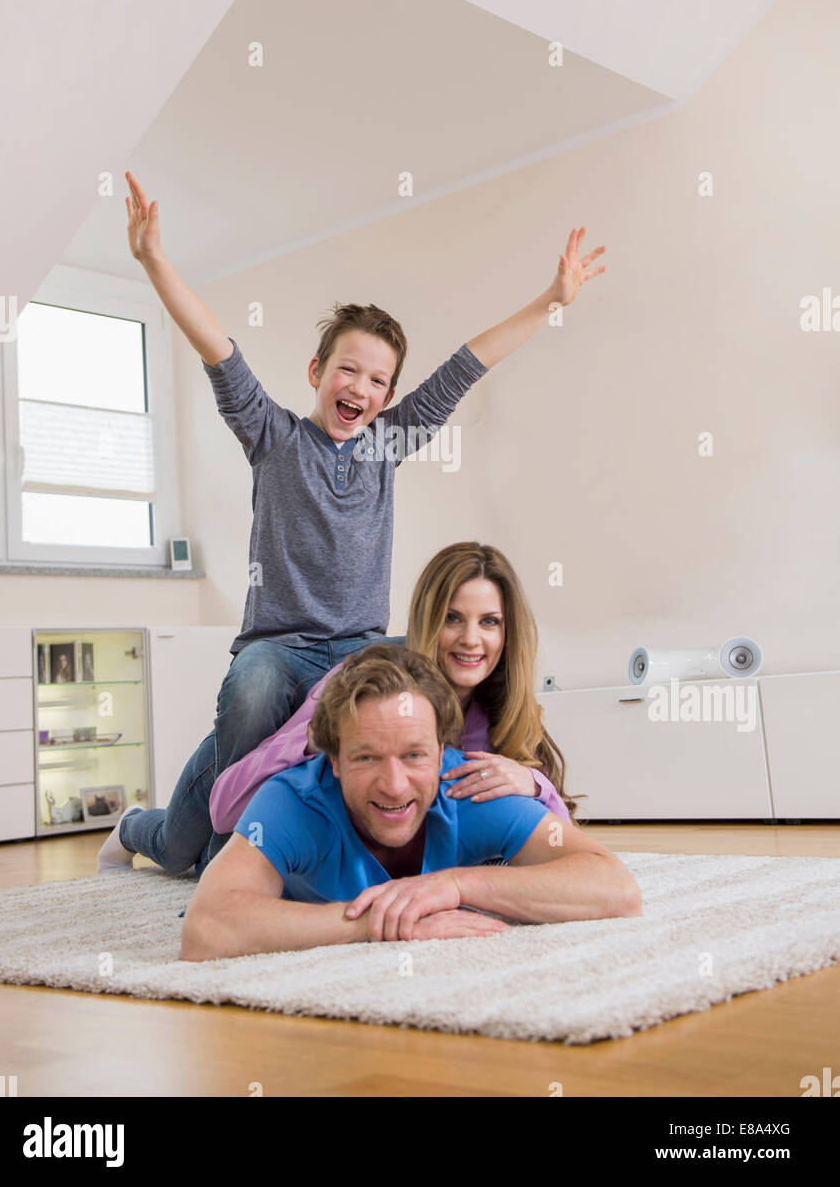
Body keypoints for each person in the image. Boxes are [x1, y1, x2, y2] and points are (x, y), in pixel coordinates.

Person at [119, 172, 607, 868]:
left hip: (359, 647)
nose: (361, 389)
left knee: (450, 645)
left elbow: (464, 367)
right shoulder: (273, 436)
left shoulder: (384, 446)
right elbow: (217, 350)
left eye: (378, 381)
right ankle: (198, 845)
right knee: (189, 826)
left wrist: (550, 301)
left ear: (388, 396)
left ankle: (498, 786)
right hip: (279, 648)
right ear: (318, 371)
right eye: (348, 371)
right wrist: (154, 260)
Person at [98, 542, 581, 876]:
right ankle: (129, 826)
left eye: (490, 621)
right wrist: (319, 736)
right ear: (427, 618)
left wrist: (530, 781)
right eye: (453, 618)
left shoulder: (500, 707)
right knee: (182, 852)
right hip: (245, 756)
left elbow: (564, 840)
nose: (471, 639)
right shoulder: (368, 680)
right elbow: (226, 808)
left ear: (507, 631)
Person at [180, 645, 641, 960]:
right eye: (366, 757)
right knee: (174, 844)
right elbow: (207, 928)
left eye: (415, 756)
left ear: (442, 753)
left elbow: (614, 887)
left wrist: (457, 886)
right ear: (334, 759)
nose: (395, 786)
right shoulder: (293, 801)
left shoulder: (464, 788)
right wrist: (379, 923)